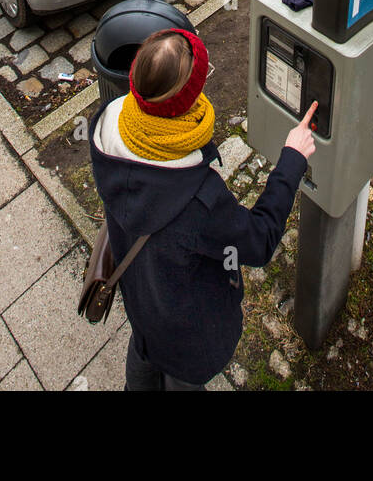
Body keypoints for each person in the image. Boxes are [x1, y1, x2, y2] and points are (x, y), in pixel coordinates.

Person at [89, 25, 315, 390]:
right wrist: (291, 162)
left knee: (142, 370)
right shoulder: (196, 200)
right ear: (190, 99)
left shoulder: (107, 128)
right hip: (186, 338)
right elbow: (258, 241)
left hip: (142, 309)